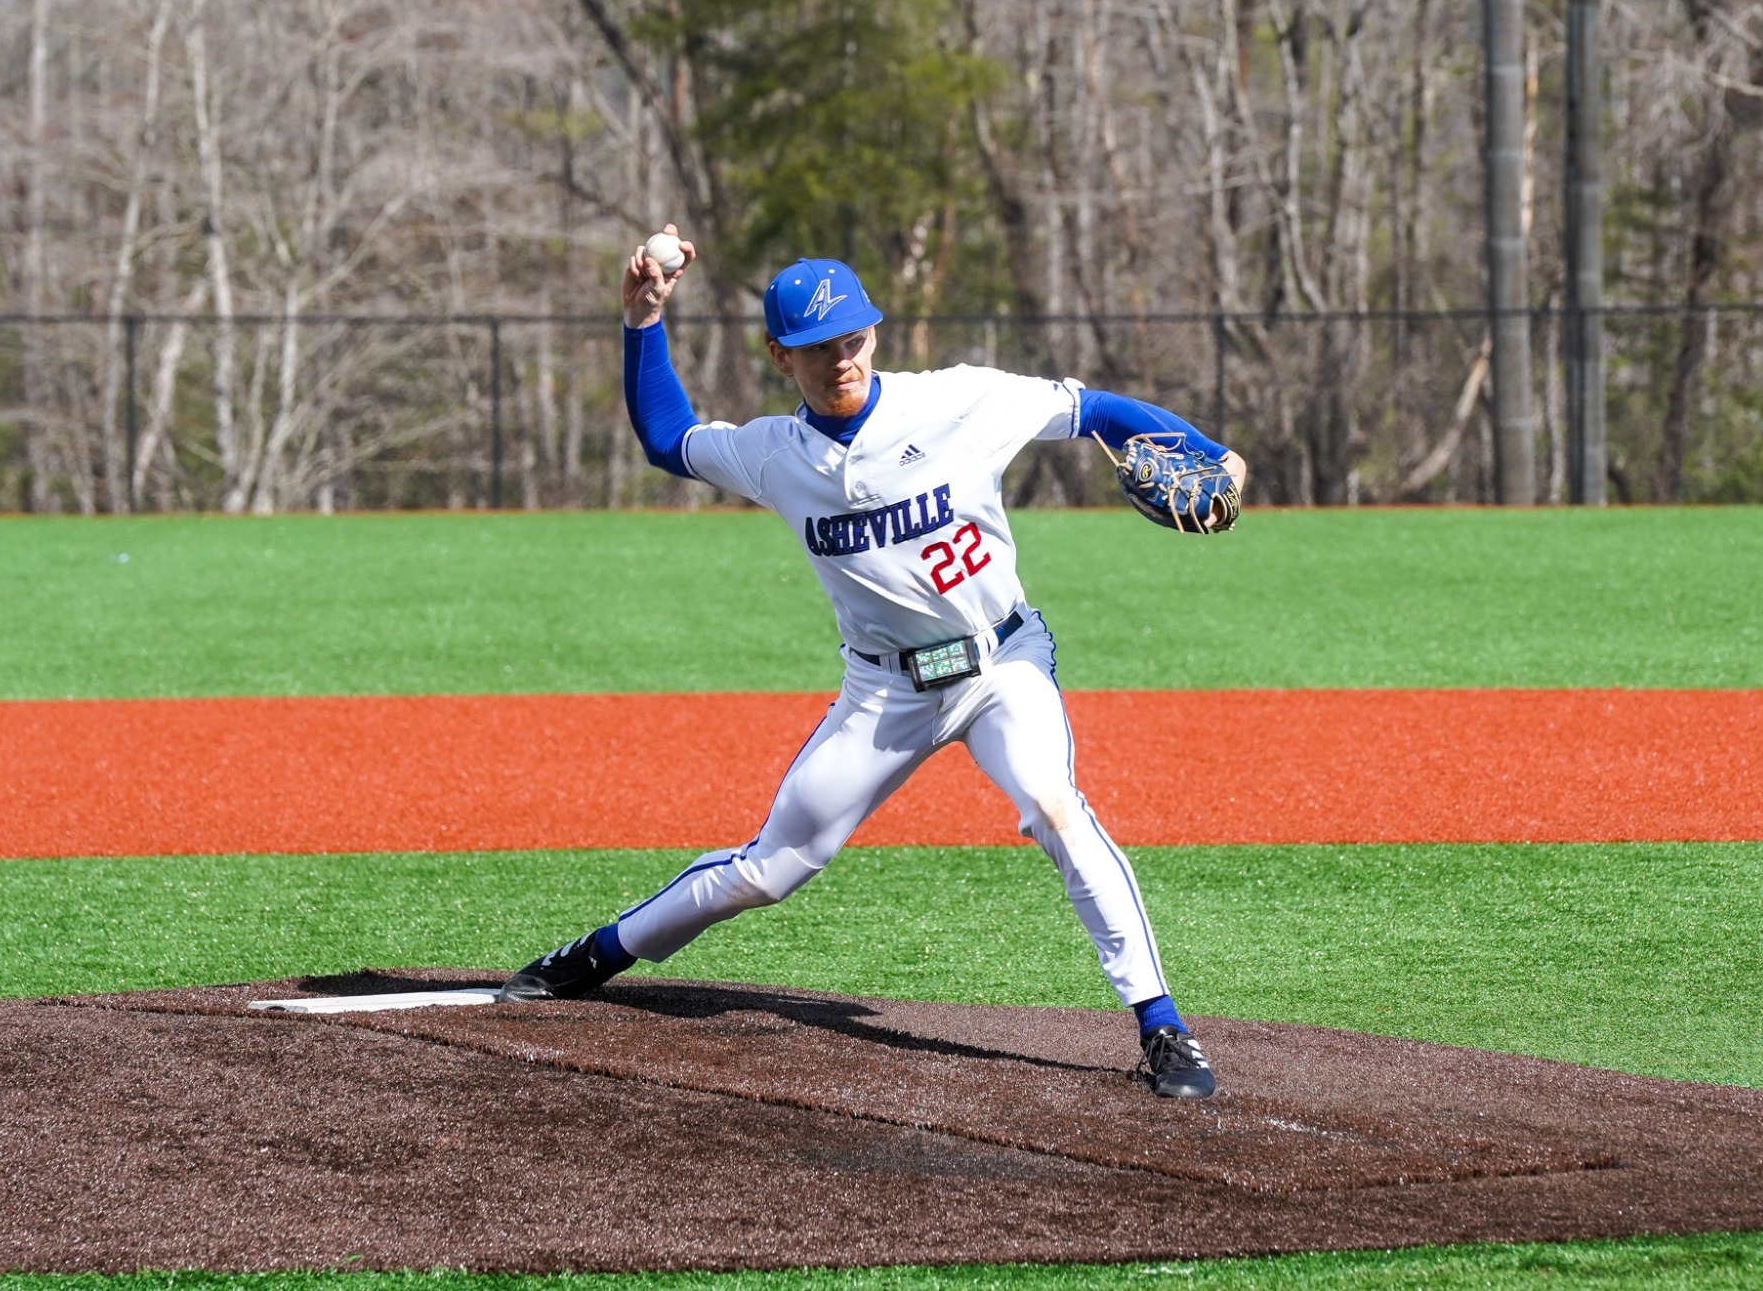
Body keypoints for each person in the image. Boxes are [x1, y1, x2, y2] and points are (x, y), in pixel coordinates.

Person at [497, 225, 1246, 1099]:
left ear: (875, 335)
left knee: (1053, 803)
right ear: (781, 355)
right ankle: (594, 954)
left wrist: (1207, 448)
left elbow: (1097, 411)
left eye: (852, 339)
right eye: (818, 348)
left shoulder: (960, 400)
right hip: (884, 690)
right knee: (771, 866)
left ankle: (1163, 1027)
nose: (840, 359)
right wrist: (642, 322)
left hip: (1001, 664)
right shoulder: (775, 453)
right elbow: (669, 440)